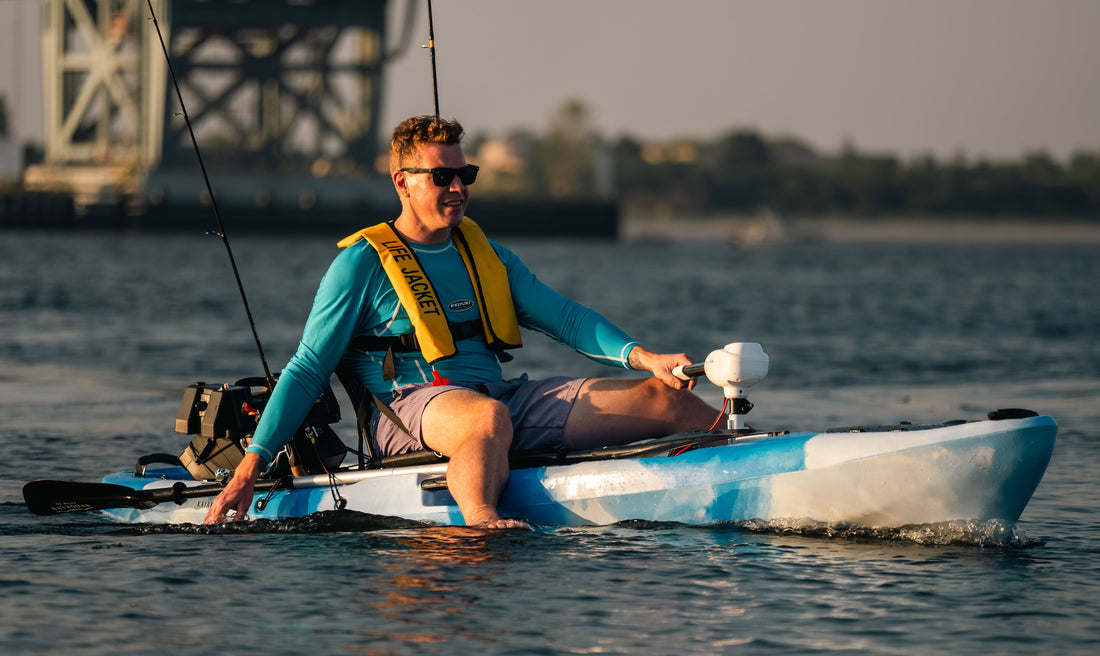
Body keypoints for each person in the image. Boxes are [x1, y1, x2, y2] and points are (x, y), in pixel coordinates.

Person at [204, 115, 715, 529]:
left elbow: (566, 318)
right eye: (441, 176)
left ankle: (757, 456)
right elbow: (307, 368)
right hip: (407, 411)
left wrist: (646, 357)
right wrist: (254, 461)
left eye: (464, 175)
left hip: (495, 398)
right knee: (486, 420)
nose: (457, 188)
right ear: (402, 182)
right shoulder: (362, 263)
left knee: (661, 396)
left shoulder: (485, 253)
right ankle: (481, 519)